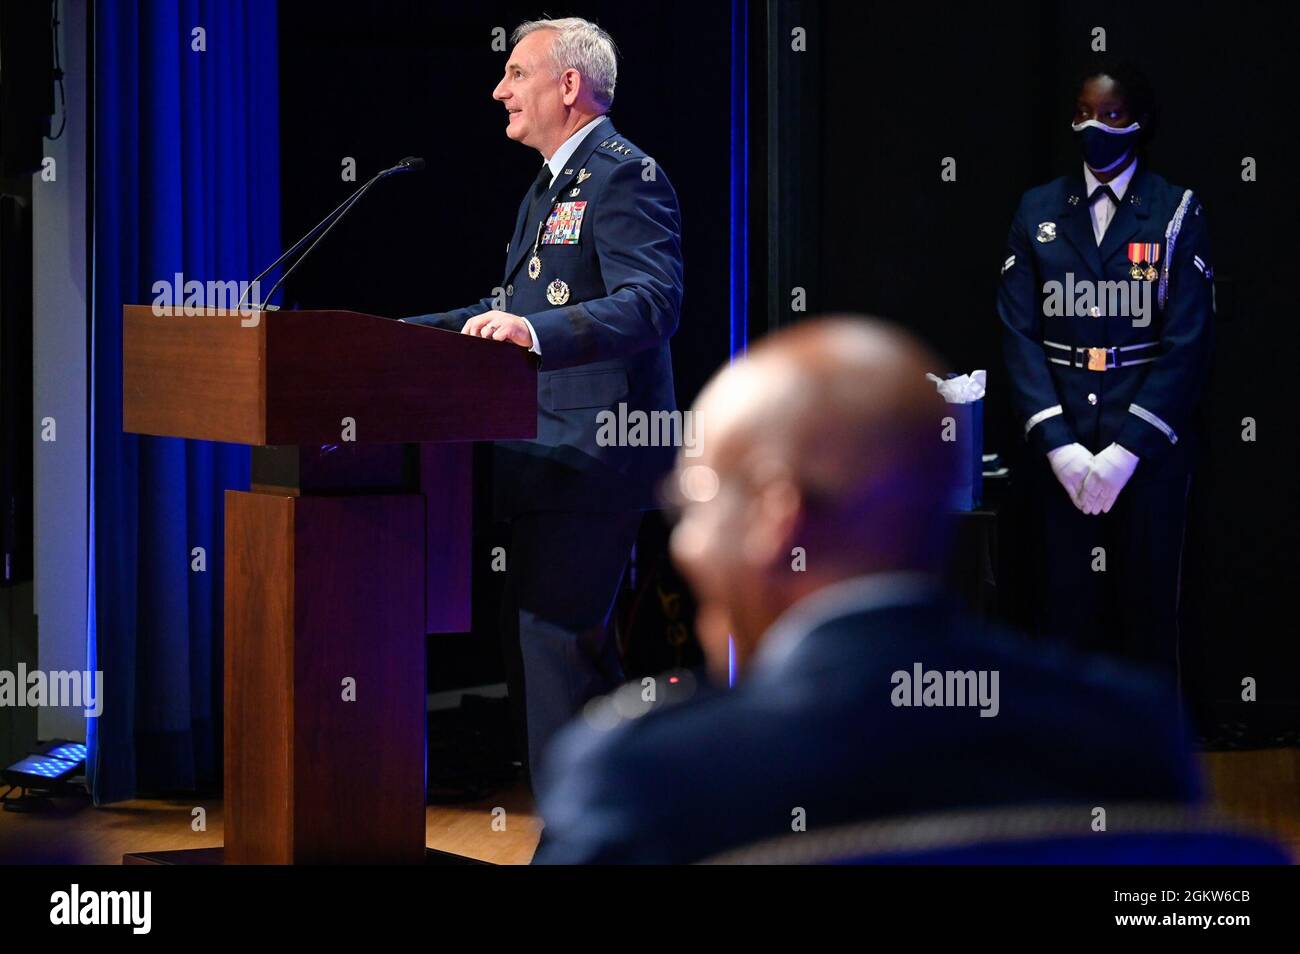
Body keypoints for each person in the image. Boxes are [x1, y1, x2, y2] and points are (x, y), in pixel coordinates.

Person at [533, 317, 1202, 864]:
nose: (683, 542)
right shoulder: (1130, 734)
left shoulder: (643, 780)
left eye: (698, 499)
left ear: (776, 513)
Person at [403, 17, 683, 777]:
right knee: (551, 664)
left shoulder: (625, 173)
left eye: (517, 73)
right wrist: (386, 336)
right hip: (541, 456)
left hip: (593, 456)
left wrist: (534, 333)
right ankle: (612, 829)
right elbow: (503, 305)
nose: (500, 89)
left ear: (568, 85)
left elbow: (653, 302)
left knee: (558, 657)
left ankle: (586, 839)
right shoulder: (549, 186)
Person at [998, 60, 1214, 678]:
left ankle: (1149, 771)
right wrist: (1060, 449)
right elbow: (1018, 334)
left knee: (1147, 625)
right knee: (1060, 619)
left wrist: (1125, 453)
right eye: (1084, 114)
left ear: (1139, 122)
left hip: (1146, 454)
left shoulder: (1175, 213)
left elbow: (1188, 343)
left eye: (1111, 115)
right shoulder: (1037, 208)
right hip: (1059, 448)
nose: (1095, 126)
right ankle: (1059, 767)